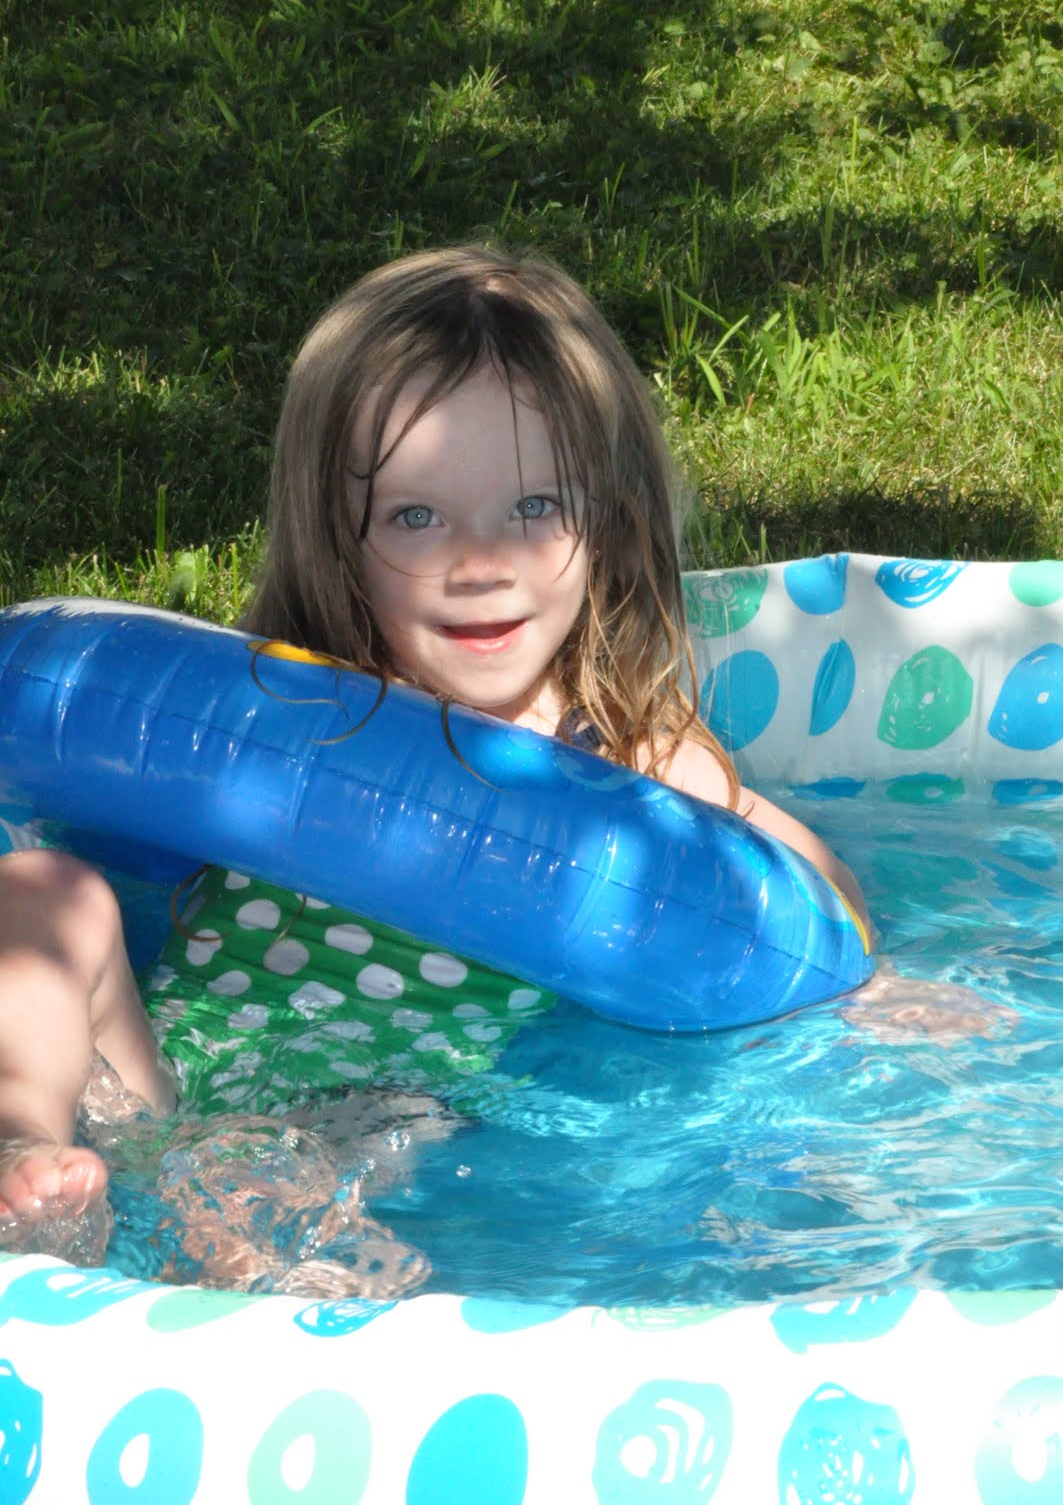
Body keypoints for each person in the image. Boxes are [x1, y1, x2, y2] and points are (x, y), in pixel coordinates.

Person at [0, 244, 870, 1274]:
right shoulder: (287, 705)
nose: (481, 563)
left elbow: (808, 900)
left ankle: (232, 1317)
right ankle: (22, 1140)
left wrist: (885, 996)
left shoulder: (620, 761)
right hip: (155, 1078)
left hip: (364, 1119)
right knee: (44, 896)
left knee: (258, 1193)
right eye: (417, 516)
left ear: (608, 519)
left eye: (535, 509)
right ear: (341, 534)